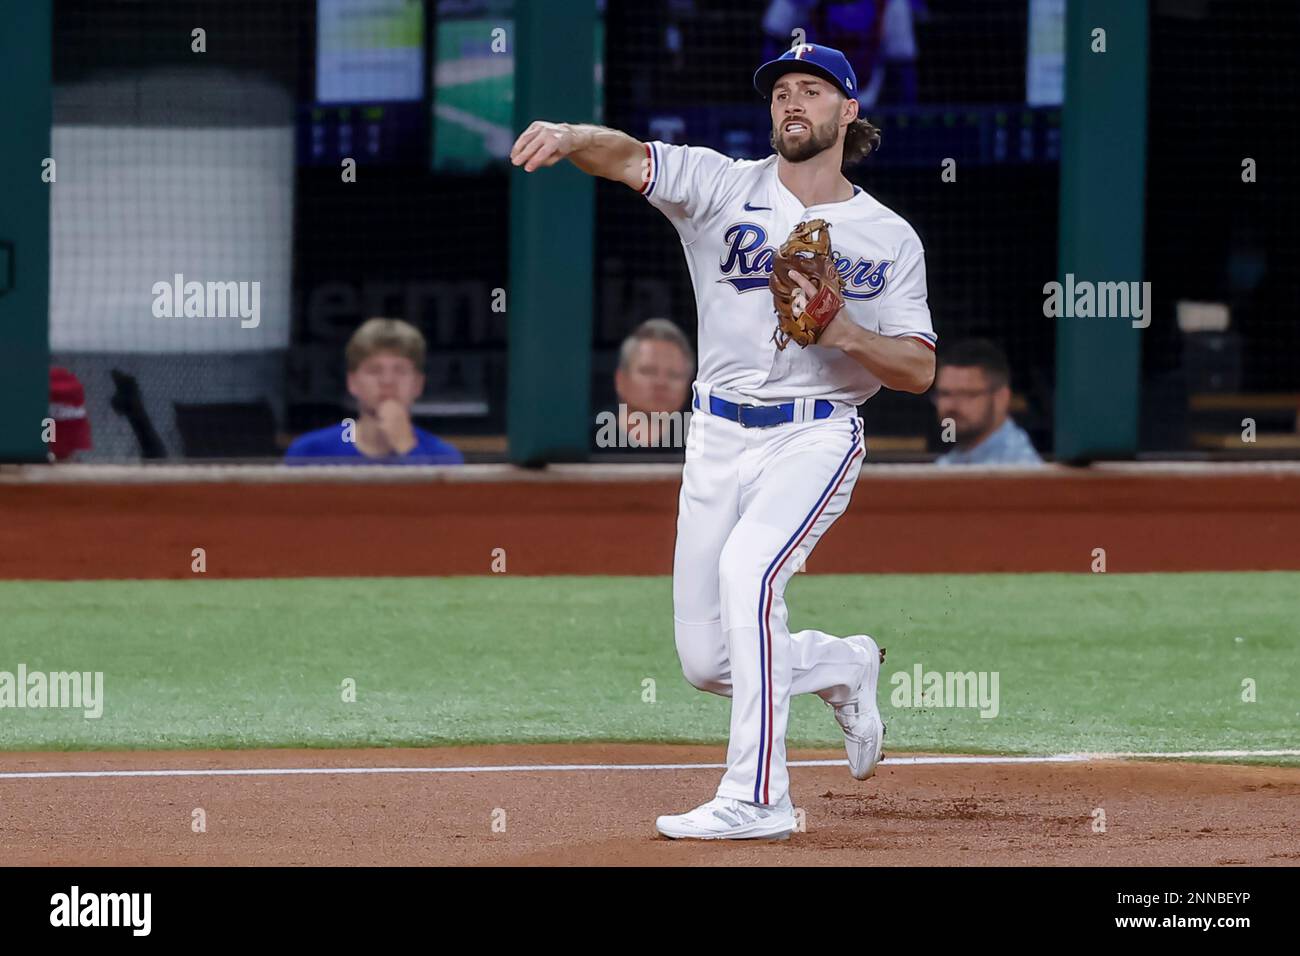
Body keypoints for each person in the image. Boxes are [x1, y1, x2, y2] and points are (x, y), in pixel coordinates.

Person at [512, 43, 936, 840]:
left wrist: (845, 330)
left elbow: (917, 368)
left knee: (751, 573)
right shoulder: (718, 185)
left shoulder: (889, 237)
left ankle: (760, 798)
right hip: (715, 436)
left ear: (850, 112)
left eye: (812, 89)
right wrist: (571, 136)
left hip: (814, 437)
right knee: (709, 662)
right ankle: (842, 665)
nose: (791, 102)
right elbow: (628, 158)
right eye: (780, 91)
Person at [285, 318, 463, 465]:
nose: (387, 381)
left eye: (400, 370)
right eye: (375, 370)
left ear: (418, 384)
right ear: (352, 382)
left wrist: (407, 447)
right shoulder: (309, 452)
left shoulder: (444, 458)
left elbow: (433, 507)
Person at [932, 339, 1042, 466]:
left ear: (1001, 398)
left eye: (968, 394)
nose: (952, 406)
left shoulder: (1020, 468)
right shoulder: (948, 463)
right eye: (945, 394)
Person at [611, 318, 694, 448]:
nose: (661, 383)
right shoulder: (585, 448)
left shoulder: (702, 451)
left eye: (674, 375)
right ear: (620, 380)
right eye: (649, 371)